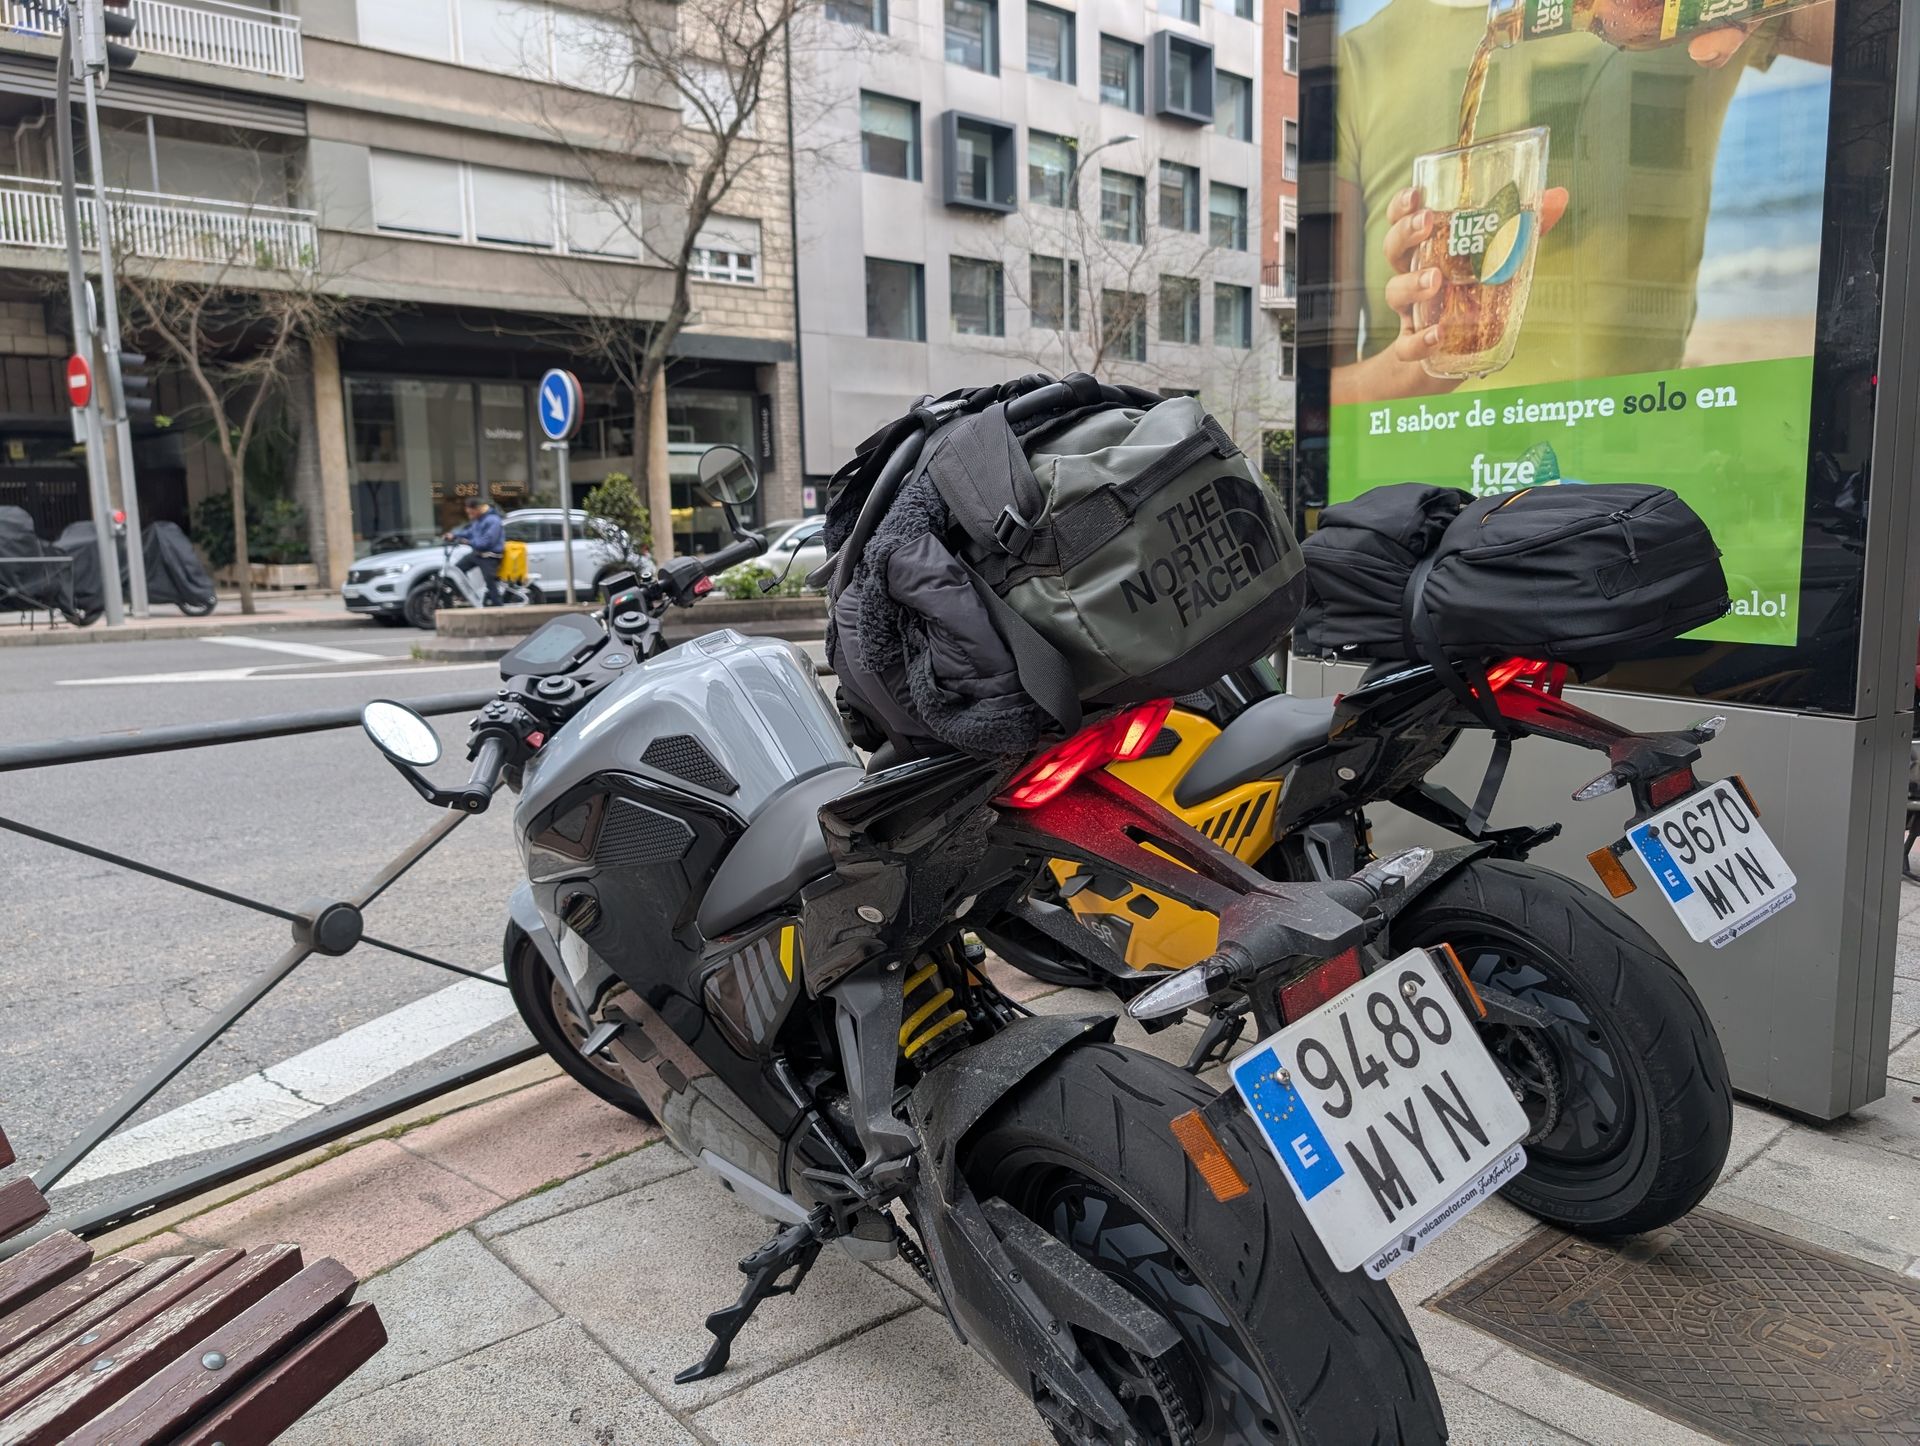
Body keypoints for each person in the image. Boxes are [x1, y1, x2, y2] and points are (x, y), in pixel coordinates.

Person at [1330, 0, 1835, 406]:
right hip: (1422, 485)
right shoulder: (1355, 63)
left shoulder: (1651, 11)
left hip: (1635, 466)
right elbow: (1316, 403)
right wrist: (1421, 364)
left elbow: (1868, 38)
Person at [446, 497, 505, 607]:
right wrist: (454, 535)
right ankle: (466, 596)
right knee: (457, 570)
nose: (469, 515)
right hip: (478, 554)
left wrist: (468, 542)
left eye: (471, 513)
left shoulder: (493, 520)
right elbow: (470, 532)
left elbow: (487, 542)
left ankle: (499, 608)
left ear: (478, 509)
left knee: (491, 584)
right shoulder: (479, 519)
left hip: (490, 556)